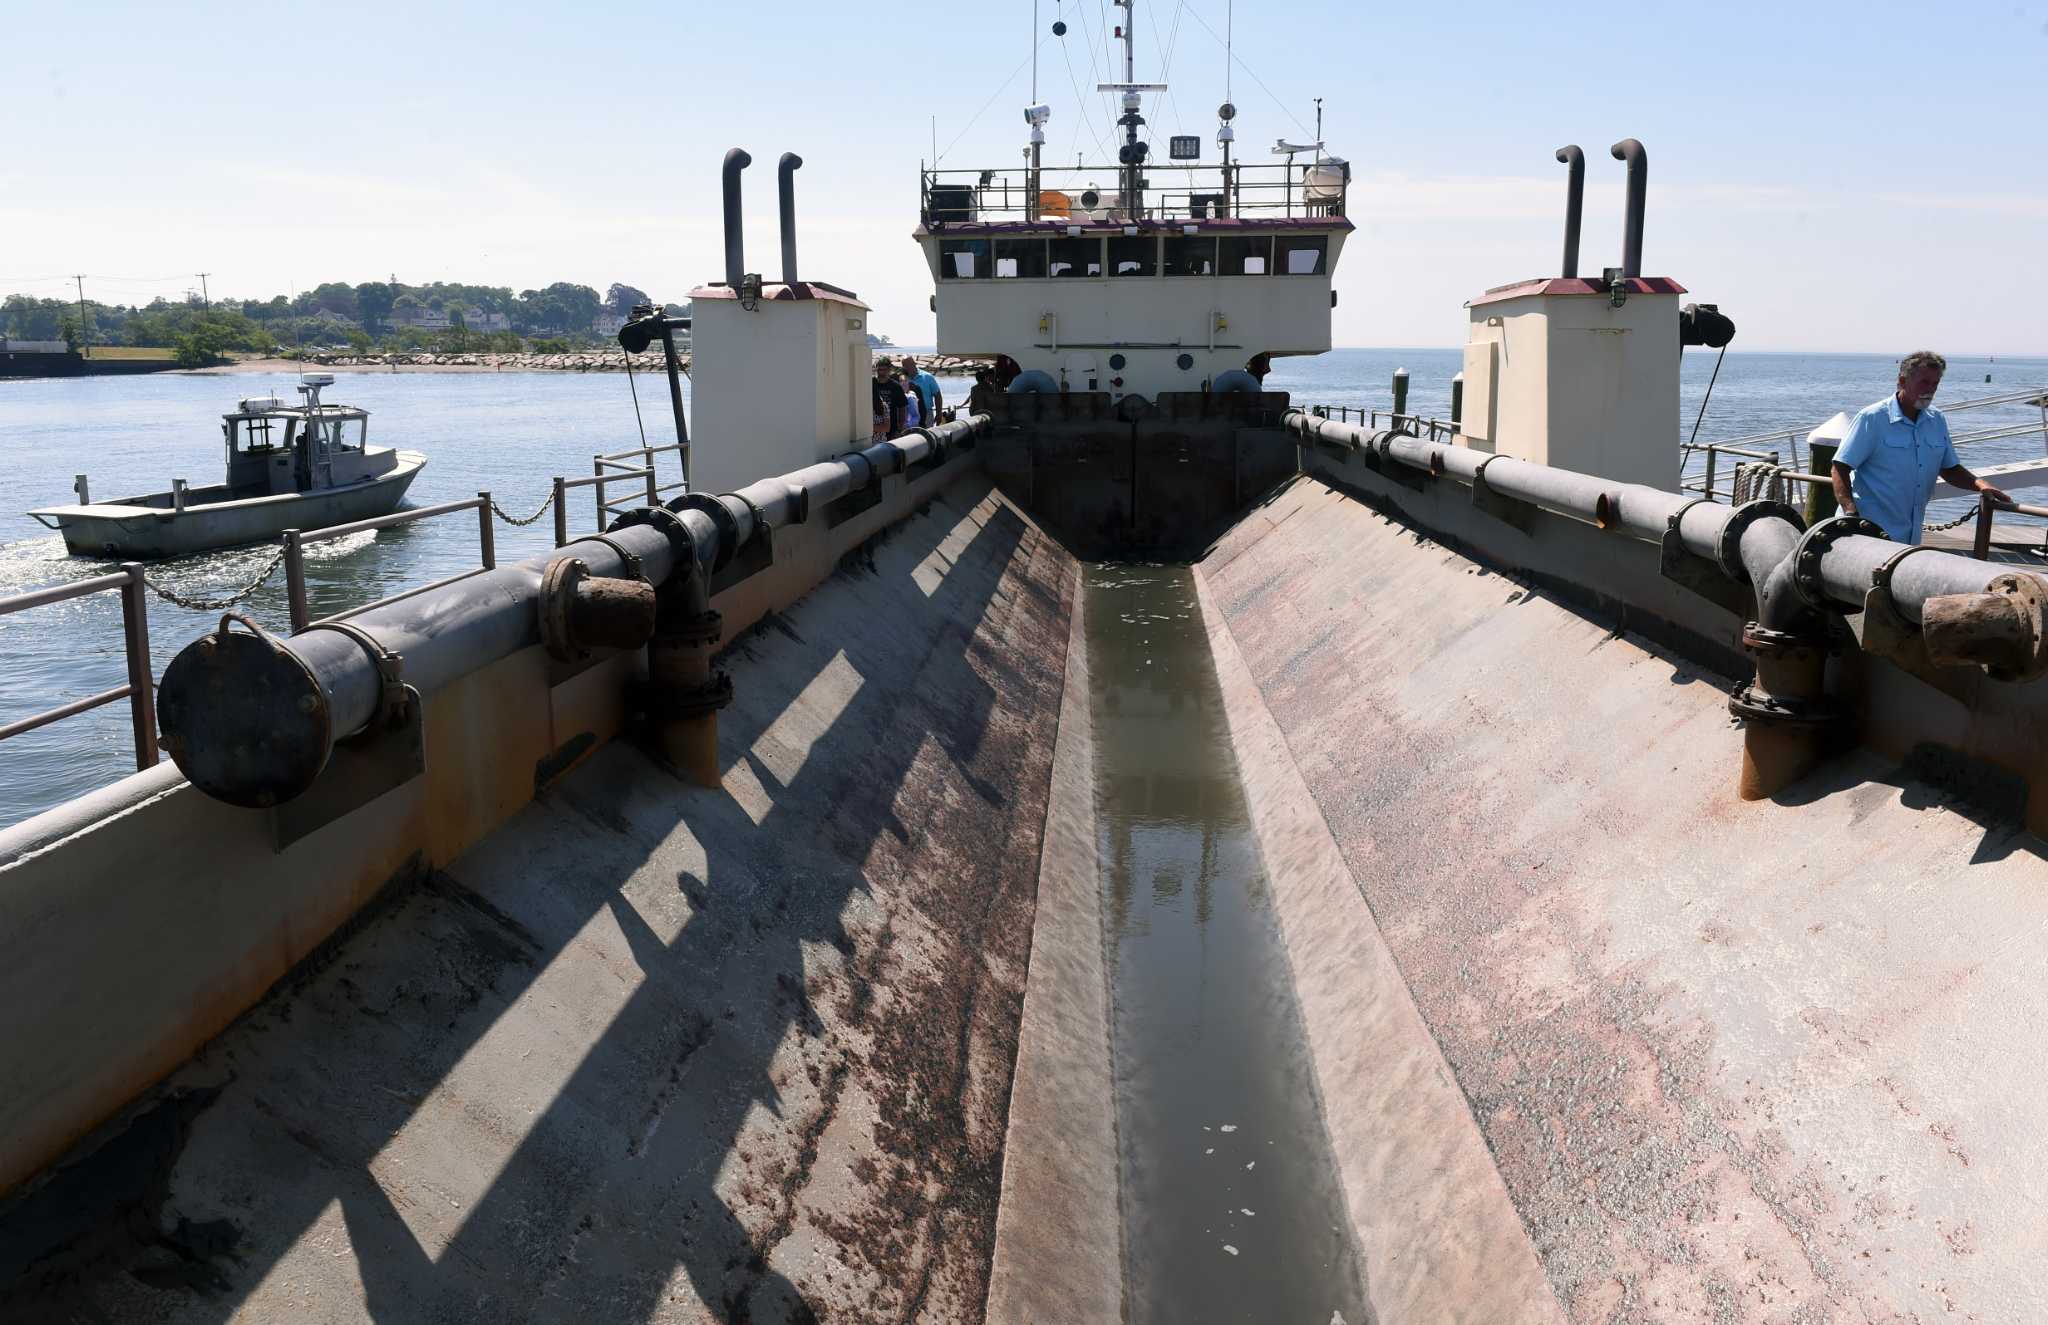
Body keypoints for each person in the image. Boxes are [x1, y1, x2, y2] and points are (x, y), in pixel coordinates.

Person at [1830, 350, 2010, 543]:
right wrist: (1850, 513)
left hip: (1910, 536)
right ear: (1902, 380)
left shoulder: (1937, 420)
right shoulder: (1872, 418)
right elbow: (1840, 467)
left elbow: (1950, 469)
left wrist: (1981, 485)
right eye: (1924, 382)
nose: (1930, 389)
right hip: (1867, 531)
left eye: (1935, 384)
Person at [902, 357, 942, 427]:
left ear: (914, 363)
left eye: (910, 364)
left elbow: (937, 395)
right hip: (908, 416)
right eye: (906, 365)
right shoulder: (902, 380)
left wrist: (939, 413)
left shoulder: (927, 377)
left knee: (927, 436)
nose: (908, 367)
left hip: (927, 414)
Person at [873, 360, 908, 437]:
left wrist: (900, 428)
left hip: (891, 428)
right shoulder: (871, 383)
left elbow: (902, 407)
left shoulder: (896, 386)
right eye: (879, 370)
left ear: (889, 370)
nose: (881, 372)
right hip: (873, 427)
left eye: (884, 370)